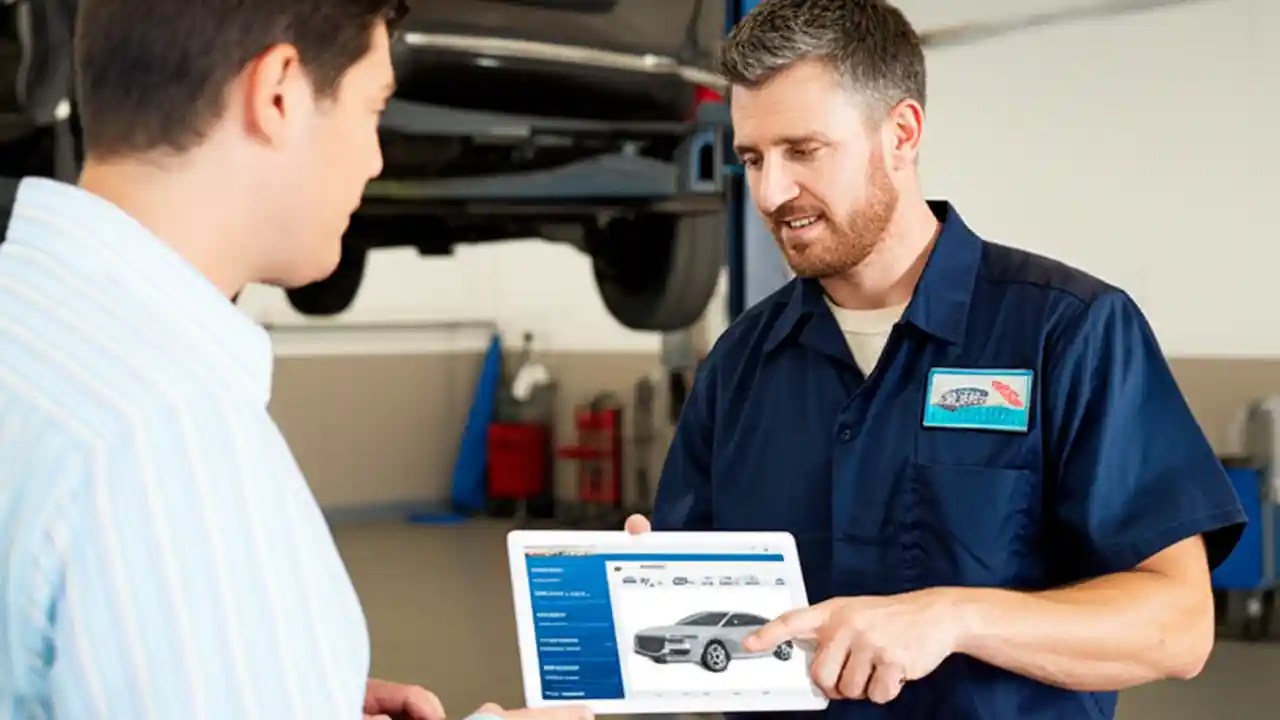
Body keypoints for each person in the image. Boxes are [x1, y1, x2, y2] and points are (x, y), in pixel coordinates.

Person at [626, 0, 1246, 718]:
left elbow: (1177, 628)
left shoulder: (1066, 333)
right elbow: (694, 633)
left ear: (901, 133)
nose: (770, 194)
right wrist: (651, 586)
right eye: (753, 159)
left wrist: (954, 618)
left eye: (803, 151)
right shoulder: (740, 365)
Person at [0, 2, 589, 719]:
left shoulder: (32, 327)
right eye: (373, 108)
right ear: (279, 92)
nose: (375, 159)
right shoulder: (170, 443)